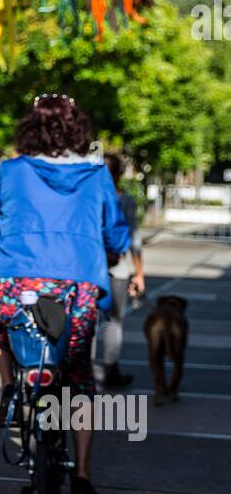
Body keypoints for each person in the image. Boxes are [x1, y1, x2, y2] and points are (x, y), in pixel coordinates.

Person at [0, 94, 130, 494]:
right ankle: (85, 477)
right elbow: (117, 234)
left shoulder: (13, 171)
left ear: (29, 128)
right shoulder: (97, 174)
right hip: (78, 289)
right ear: (78, 127)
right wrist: (108, 254)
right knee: (78, 376)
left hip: (15, 285)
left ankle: (8, 385)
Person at [100, 153, 145, 389]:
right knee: (114, 320)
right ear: (118, 174)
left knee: (82, 320)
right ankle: (109, 369)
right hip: (116, 268)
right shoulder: (124, 200)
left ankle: (81, 370)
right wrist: (139, 273)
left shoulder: (86, 197)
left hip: (87, 267)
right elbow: (133, 239)